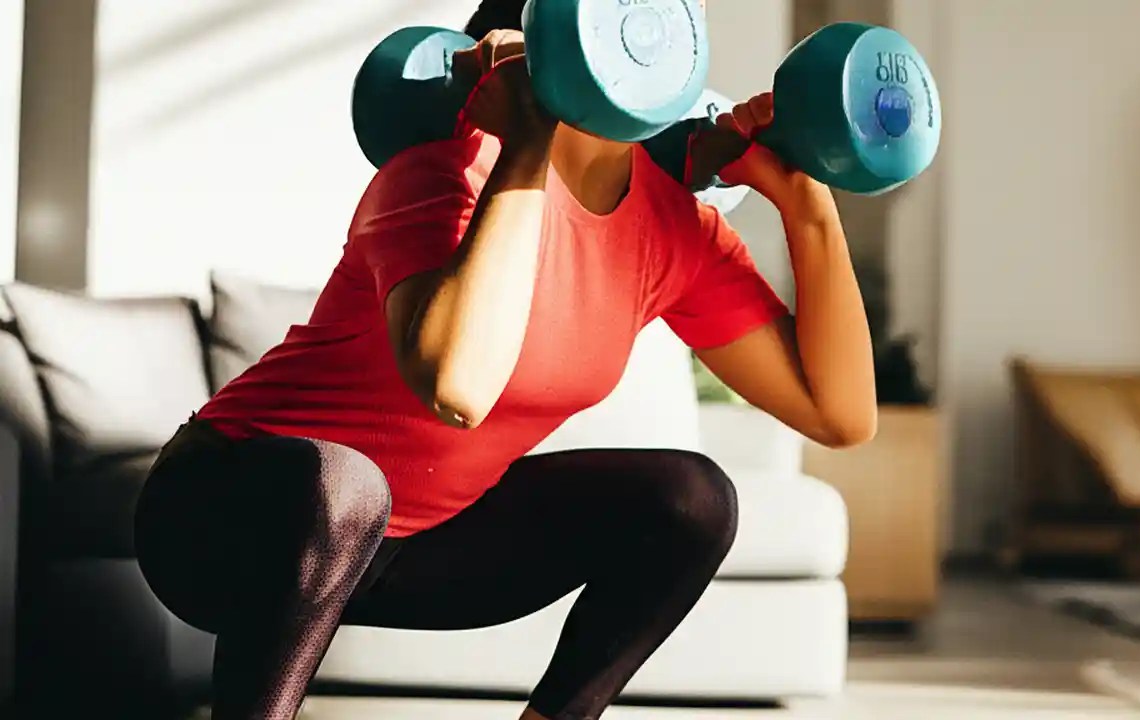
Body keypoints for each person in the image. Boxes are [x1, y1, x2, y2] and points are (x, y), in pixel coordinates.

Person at [132, 1, 877, 718]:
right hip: (226, 518)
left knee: (691, 499)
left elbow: (839, 415)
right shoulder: (442, 173)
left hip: (409, 550)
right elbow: (457, 385)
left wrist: (807, 208)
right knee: (345, 485)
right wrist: (526, 143)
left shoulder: (675, 228)